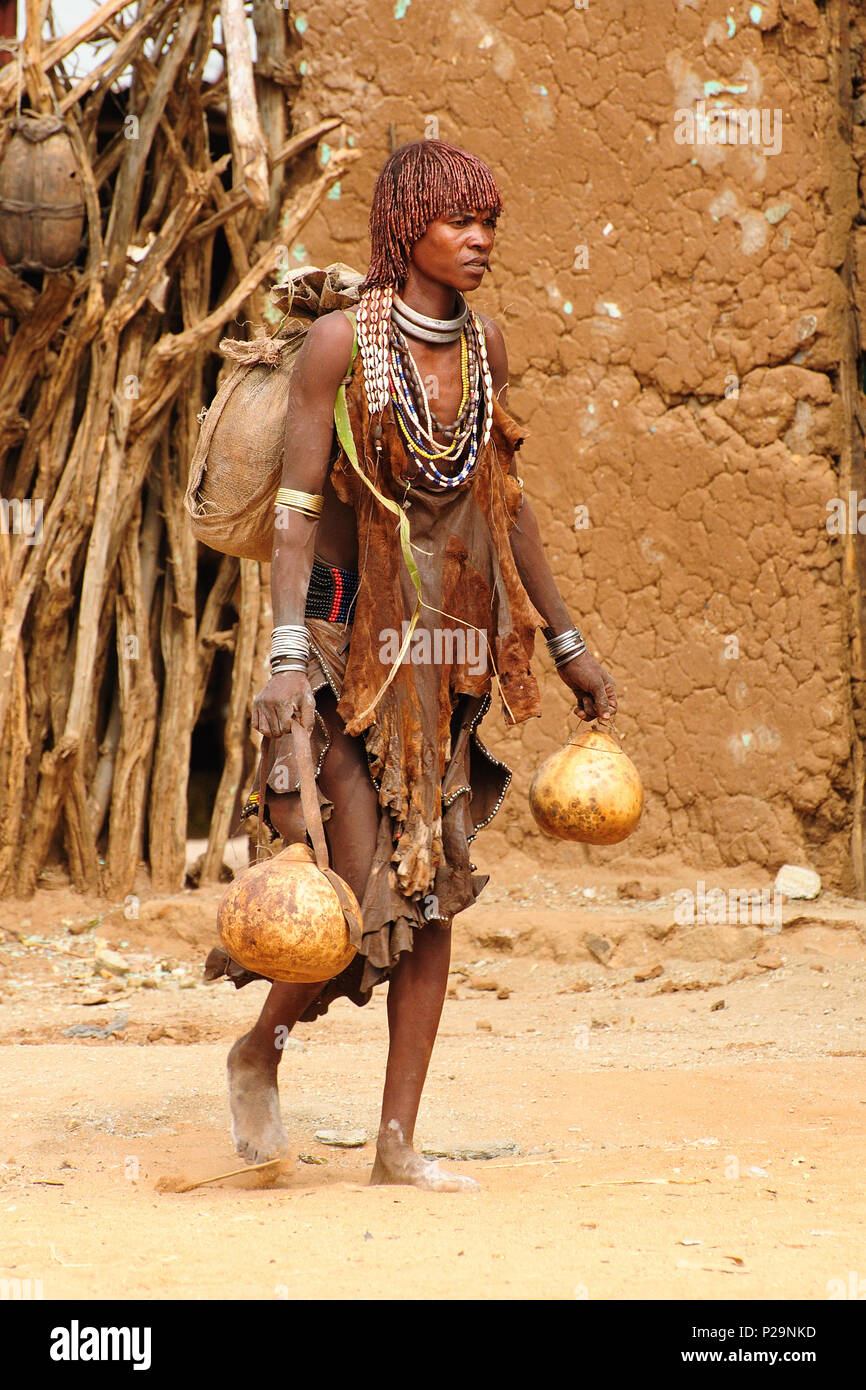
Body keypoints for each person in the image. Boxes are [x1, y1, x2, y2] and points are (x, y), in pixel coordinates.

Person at [207, 139, 618, 1191]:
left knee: (431, 893)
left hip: (444, 658)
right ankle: (262, 1047)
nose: (478, 239)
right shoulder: (340, 349)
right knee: (355, 890)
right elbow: (298, 512)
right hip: (347, 644)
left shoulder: (483, 347)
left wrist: (565, 642)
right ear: (407, 228)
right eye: (456, 221)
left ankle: (397, 1145)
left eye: (487, 220)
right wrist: (287, 659)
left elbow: (502, 505)